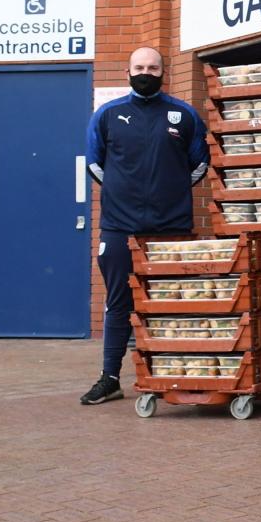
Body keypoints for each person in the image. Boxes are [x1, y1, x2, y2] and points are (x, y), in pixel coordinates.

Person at [80, 47, 208, 404]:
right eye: (139, 67)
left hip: (171, 227)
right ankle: (109, 377)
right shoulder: (107, 114)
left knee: (172, 303)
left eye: (152, 67)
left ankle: (174, 374)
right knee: (119, 302)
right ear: (127, 71)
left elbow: (199, 164)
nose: (145, 73)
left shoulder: (184, 114)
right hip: (120, 226)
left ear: (163, 72)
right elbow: (95, 164)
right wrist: (126, 192)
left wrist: (171, 191)